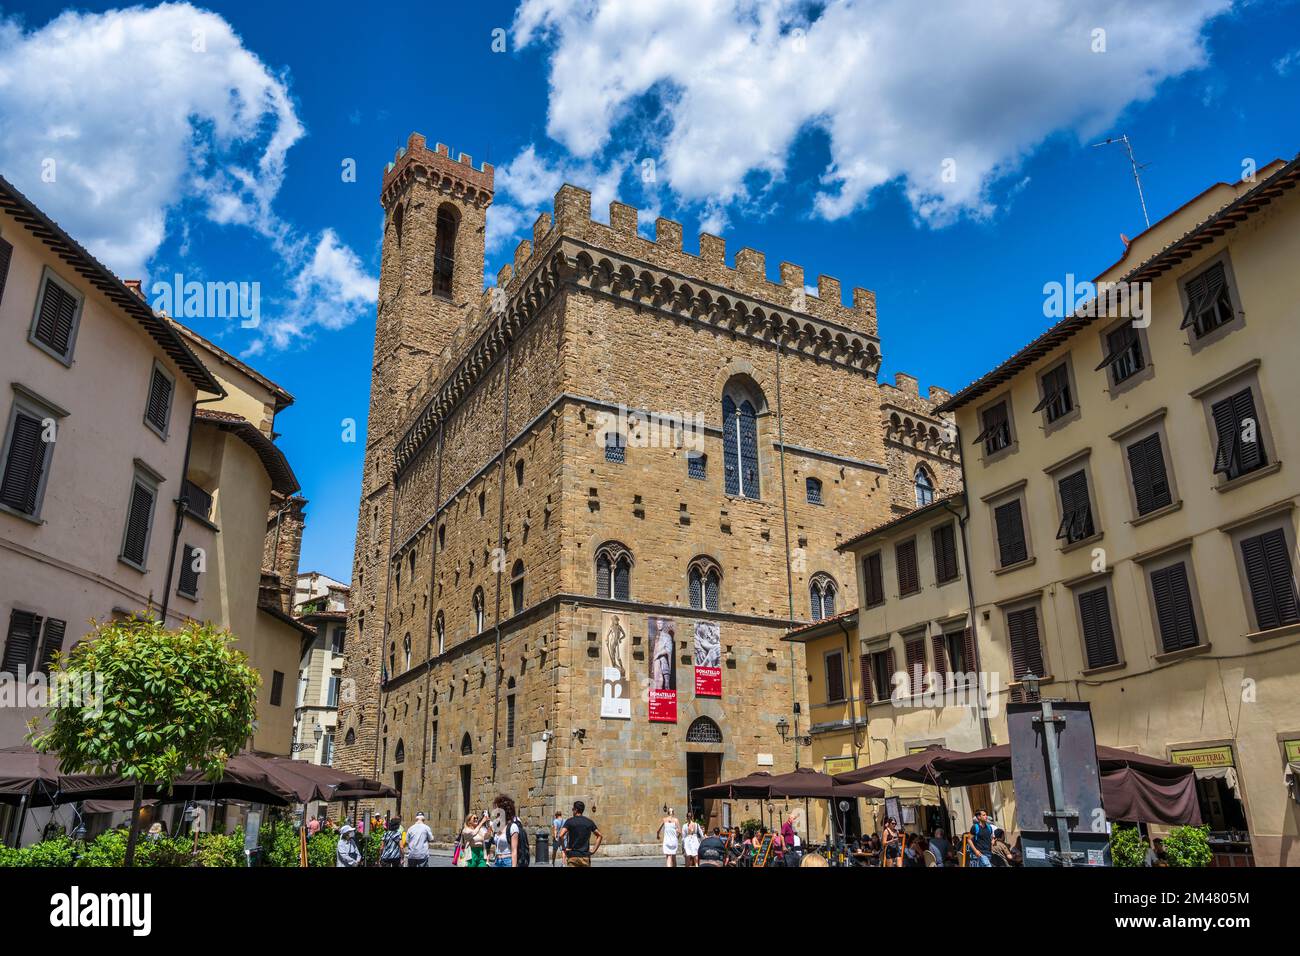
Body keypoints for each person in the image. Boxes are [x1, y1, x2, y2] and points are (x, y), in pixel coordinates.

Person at [558, 800, 601, 867]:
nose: (572, 811)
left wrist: (564, 848)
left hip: (573, 856)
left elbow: (561, 835)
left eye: (573, 809)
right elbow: (599, 835)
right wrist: (593, 850)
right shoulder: (589, 822)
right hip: (585, 856)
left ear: (576, 810)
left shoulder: (570, 821)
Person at [490, 794, 524, 868]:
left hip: (508, 861)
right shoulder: (498, 826)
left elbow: (514, 850)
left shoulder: (513, 827)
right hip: (497, 861)